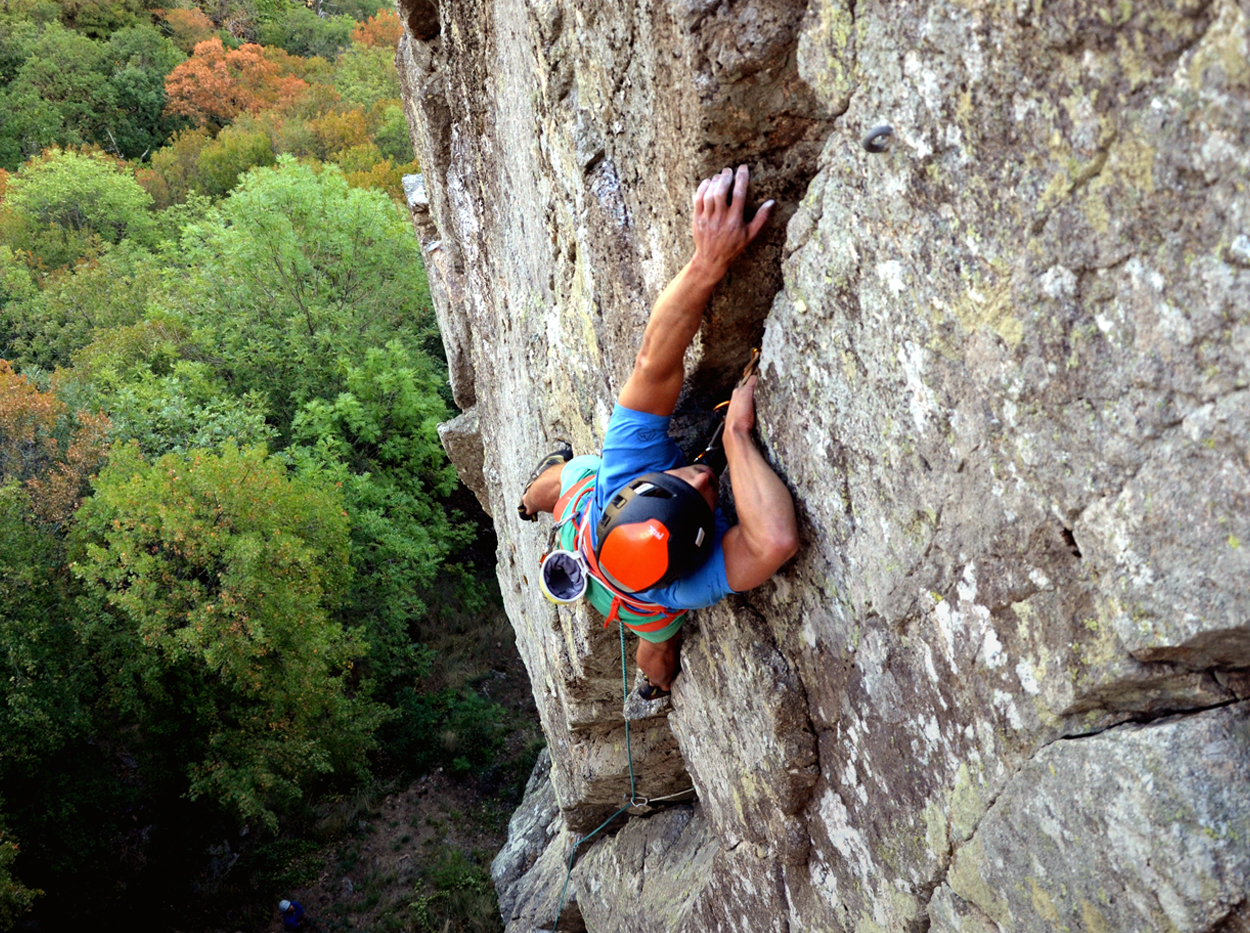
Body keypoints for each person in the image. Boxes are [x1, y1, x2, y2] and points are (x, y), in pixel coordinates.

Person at [519, 165, 799, 696]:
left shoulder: (623, 471)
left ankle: (527, 503)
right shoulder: (683, 588)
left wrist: (708, 262)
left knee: (564, 484)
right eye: (701, 497)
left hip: (585, 523)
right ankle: (656, 688)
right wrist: (736, 436)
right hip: (611, 568)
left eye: (680, 483)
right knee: (655, 649)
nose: (701, 479)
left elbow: (655, 363)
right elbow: (775, 540)